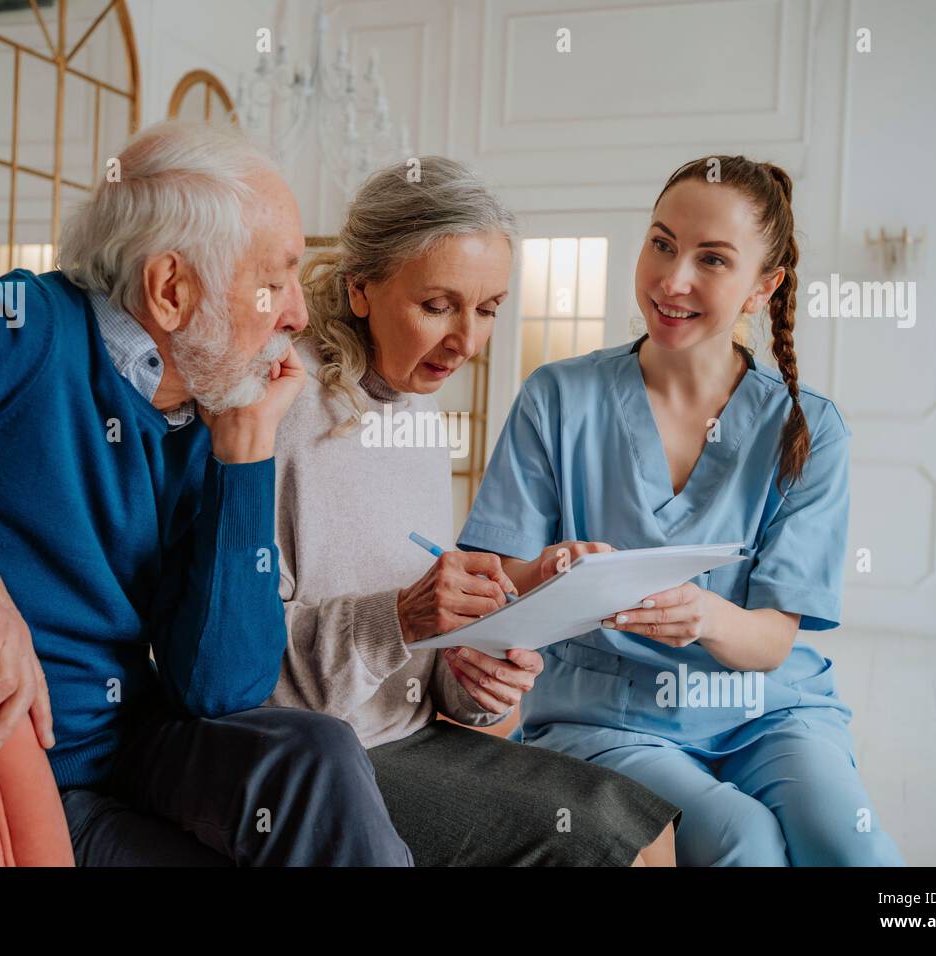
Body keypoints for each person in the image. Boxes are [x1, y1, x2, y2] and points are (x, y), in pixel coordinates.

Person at [0, 120, 412, 867]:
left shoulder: (209, 404)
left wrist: (245, 453)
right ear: (171, 290)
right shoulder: (14, 330)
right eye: (275, 280)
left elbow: (222, 687)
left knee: (315, 751)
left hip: (134, 748)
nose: (297, 314)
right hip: (20, 769)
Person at [457, 155, 904, 866]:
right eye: (662, 243)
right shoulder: (557, 398)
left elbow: (771, 642)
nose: (673, 280)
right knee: (742, 841)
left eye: (713, 260)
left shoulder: (807, 431)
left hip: (770, 709)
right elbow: (497, 572)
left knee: (850, 847)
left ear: (765, 287)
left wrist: (704, 616)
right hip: (607, 712)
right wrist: (552, 569)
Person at [267, 157, 680, 866]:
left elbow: (430, 662)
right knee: (608, 843)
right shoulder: (278, 405)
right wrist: (398, 617)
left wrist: (480, 663)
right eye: (438, 305)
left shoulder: (419, 417)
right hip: (318, 752)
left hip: (409, 731)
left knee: (646, 826)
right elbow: (242, 665)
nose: (468, 341)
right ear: (359, 287)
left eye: (488, 309)